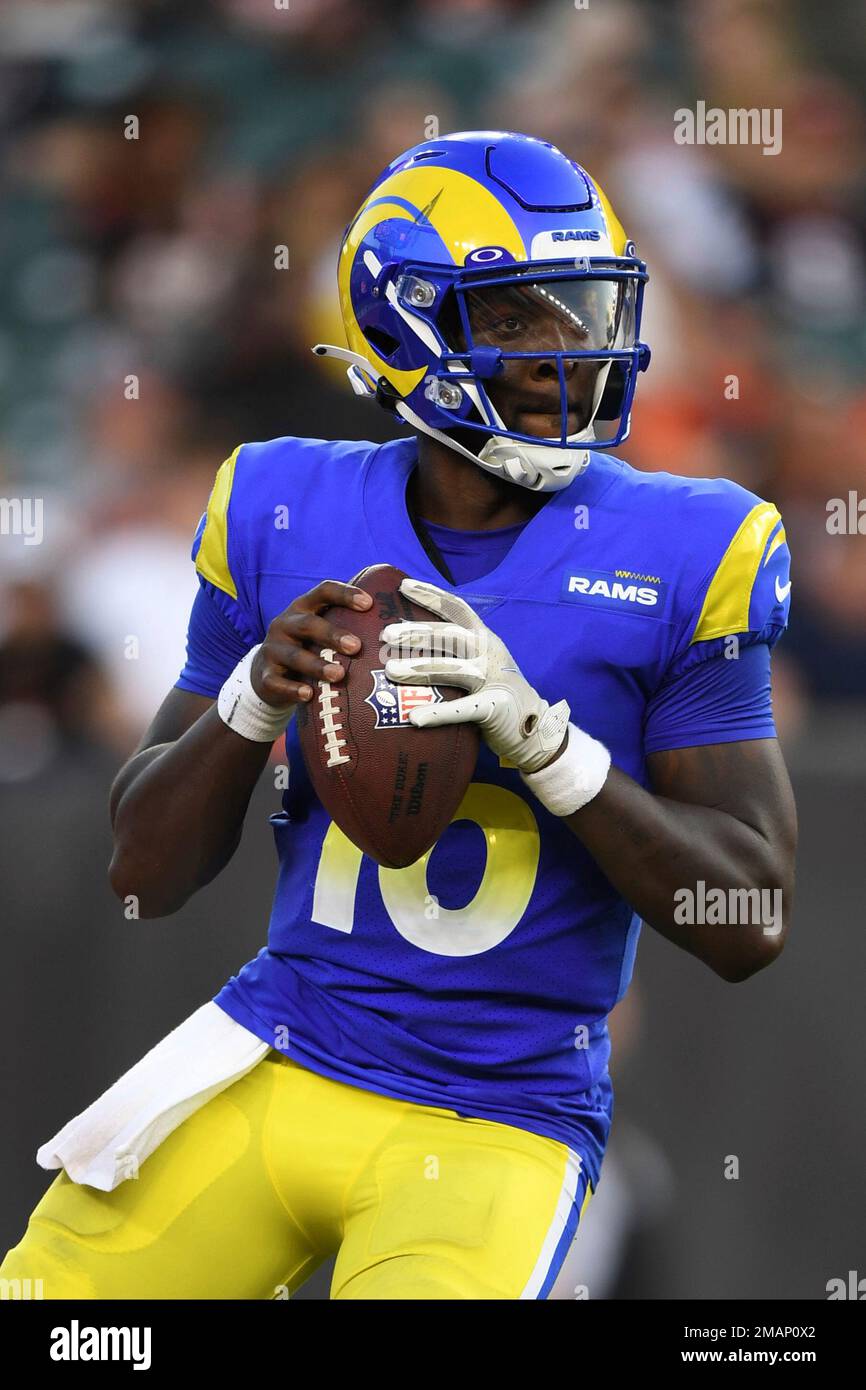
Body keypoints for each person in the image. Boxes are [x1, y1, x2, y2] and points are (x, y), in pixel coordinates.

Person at [1, 130, 796, 1300]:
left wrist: (547, 750)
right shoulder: (281, 505)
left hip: (497, 1113)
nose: (569, 349)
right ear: (405, 329)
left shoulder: (689, 546)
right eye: (520, 318)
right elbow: (144, 872)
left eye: (582, 309)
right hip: (280, 1051)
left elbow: (748, 917)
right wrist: (244, 702)